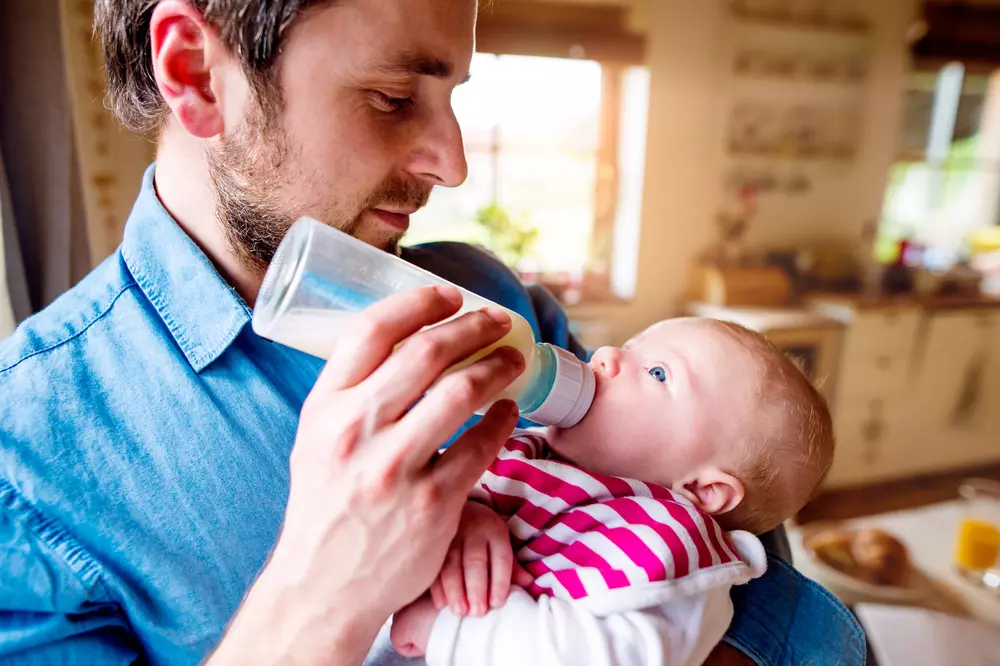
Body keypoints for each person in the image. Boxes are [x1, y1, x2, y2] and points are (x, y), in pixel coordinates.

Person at [0, 1, 864, 664]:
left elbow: (751, 571)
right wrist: (316, 597)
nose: (450, 163)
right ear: (195, 73)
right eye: (392, 96)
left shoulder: (485, 295)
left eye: (450, 99)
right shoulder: (28, 462)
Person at [388, 318, 834, 665]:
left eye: (658, 373)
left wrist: (447, 629)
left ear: (700, 489)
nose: (605, 356)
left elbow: (598, 657)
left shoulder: (670, 557)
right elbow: (393, 491)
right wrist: (461, 507)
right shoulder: (523, 453)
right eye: (630, 346)